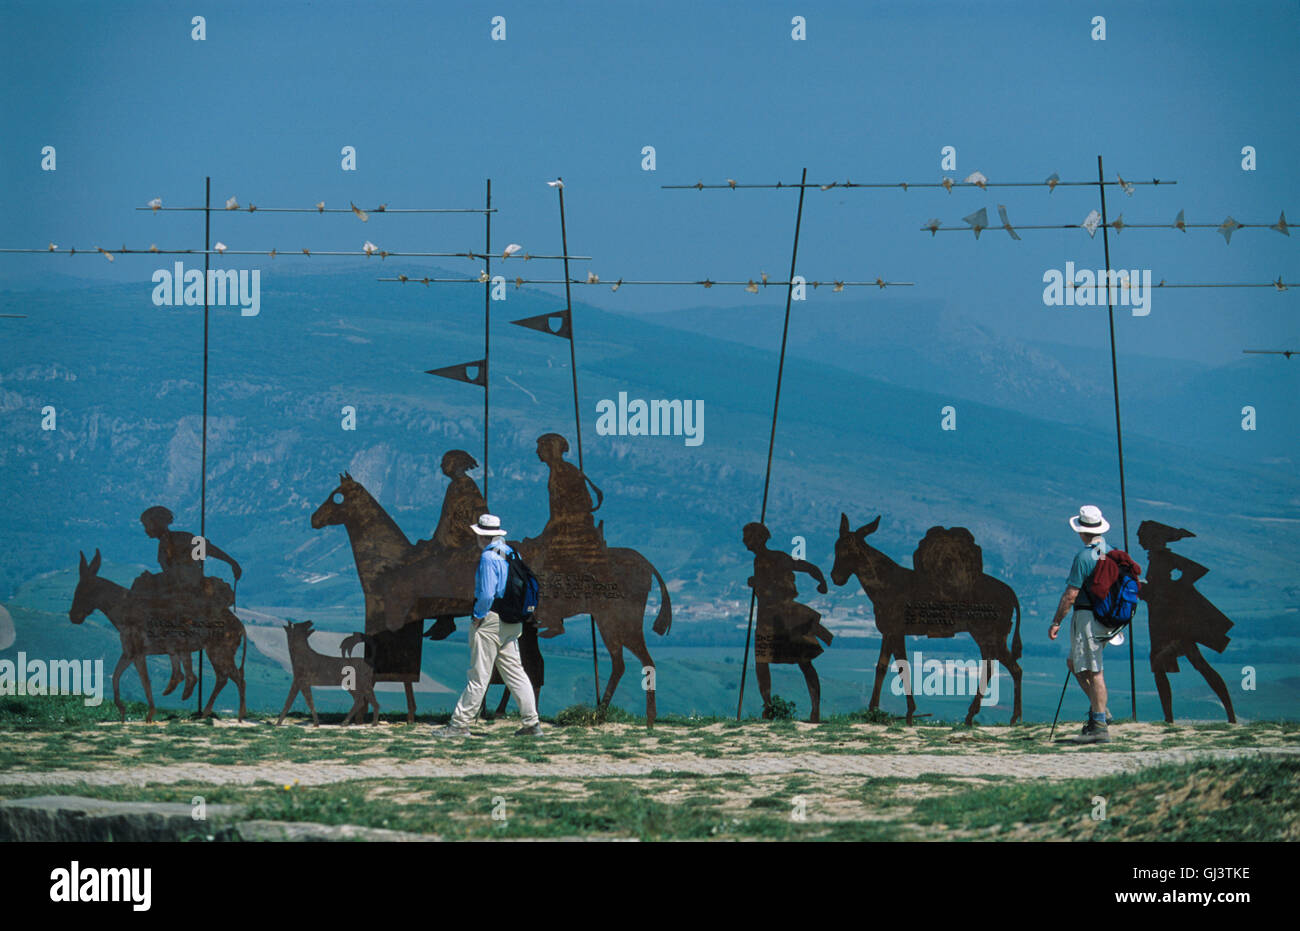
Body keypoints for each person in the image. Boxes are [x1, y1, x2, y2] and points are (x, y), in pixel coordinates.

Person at [431, 514, 542, 738]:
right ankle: (531, 723)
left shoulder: (488, 557)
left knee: (479, 675)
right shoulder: (513, 553)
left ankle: (459, 724)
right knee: (516, 673)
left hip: (491, 620)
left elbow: (487, 594)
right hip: (512, 621)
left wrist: (478, 616)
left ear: (481, 535)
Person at [1137, 521, 1236, 723]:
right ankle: (1172, 718)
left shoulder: (1163, 558)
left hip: (1170, 623)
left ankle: (1171, 718)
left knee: (1174, 664)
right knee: (1181, 665)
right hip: (1163, 620)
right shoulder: (1157, 559)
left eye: (1142, 536)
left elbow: (1193, 571)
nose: (1139, 540)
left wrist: (1171, 590)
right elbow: (1158, 587)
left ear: (1153, 538)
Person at [743, 522, 833, 723]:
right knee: (762, 662)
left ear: (757, 538)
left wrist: (822, 581)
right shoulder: (759, 560)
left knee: (803, 661)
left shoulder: (777, 558)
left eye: (747, 536)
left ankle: (814, 710)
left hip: (783, 618)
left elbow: (806, 568)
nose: (744, 541)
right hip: (766, 619)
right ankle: (768, 708)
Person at [1048, 505, 1116, 743]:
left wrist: (1057, 621)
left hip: (1088, 618)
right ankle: (1100, 711)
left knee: (1094, 670)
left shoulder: (1084, 557)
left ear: (1081, 530)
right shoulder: (1112, 553)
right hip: (1108, 620)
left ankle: (1099, 722)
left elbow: (1071, 595)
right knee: (1076, 663)